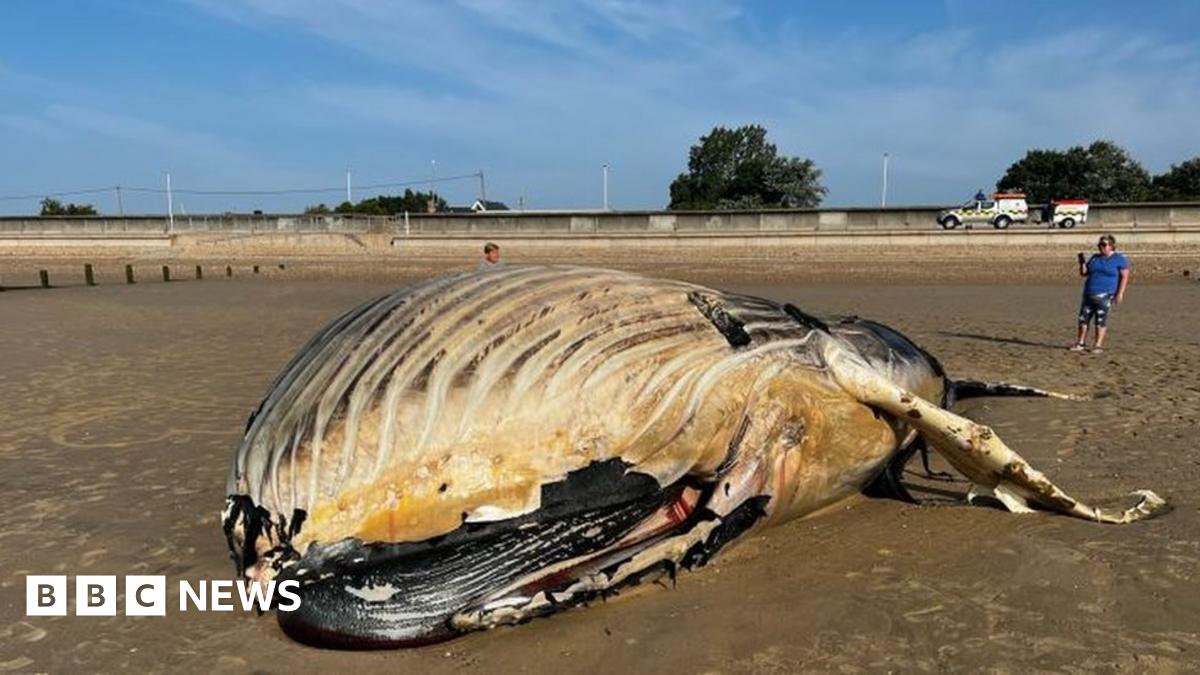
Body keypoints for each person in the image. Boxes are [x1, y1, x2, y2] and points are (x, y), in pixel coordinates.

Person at [1070, 234, 1130, 353]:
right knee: (1083, 319)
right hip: (1089, 293)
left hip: (1106, 294)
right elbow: (1084, 273)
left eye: (1104, 245)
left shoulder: (1119, 259)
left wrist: (1120, 293)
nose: (1101, 247)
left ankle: (1098, 345)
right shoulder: (1095, 258)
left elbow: (1124, 277)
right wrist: (1082, 262)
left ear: (1111, 246)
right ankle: (1081, 343)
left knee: (1100, 320)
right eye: (1099, 245)